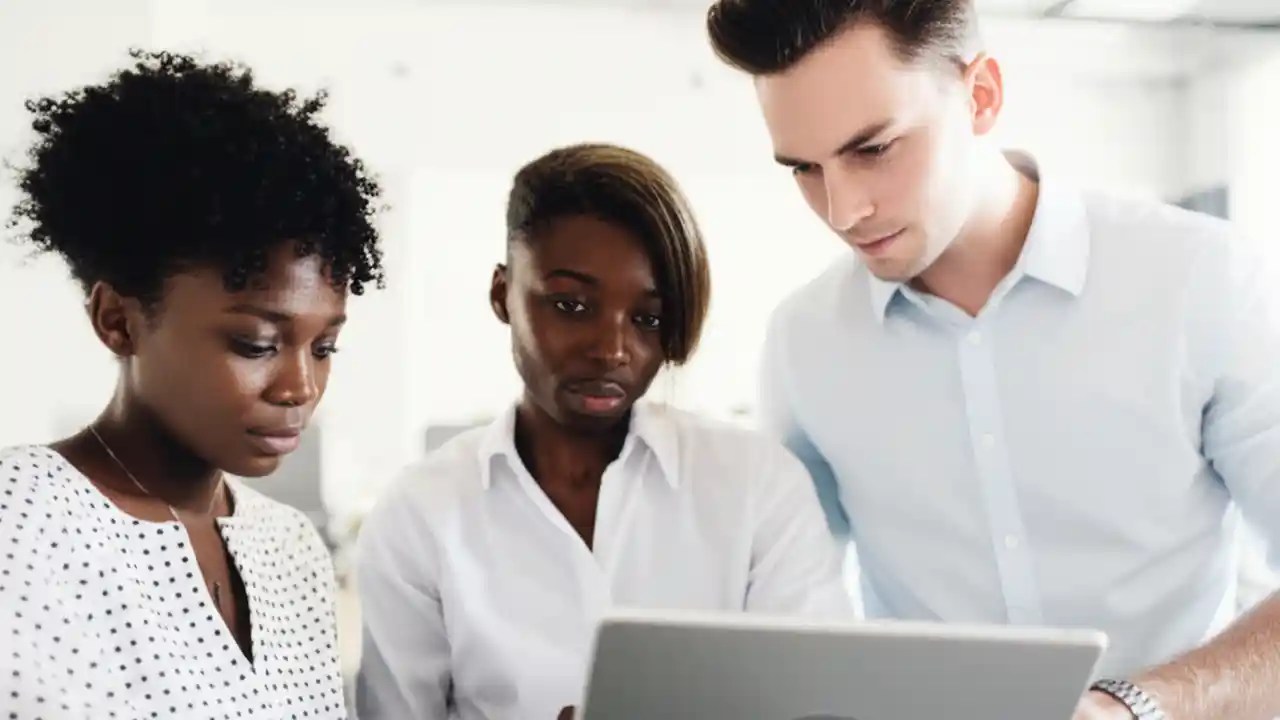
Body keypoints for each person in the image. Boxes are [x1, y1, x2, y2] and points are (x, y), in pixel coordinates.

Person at [705, 1, 1280, 719]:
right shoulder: (803, 343)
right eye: (804, 168)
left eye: (874, 148)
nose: (844, 209)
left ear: (980, 97)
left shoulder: (1201, 278)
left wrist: (1133, 708)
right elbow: (774, 618)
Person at [354, 143, 850, 719]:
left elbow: (816, 706)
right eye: (571, 305)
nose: (612, 349)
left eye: (648, 319)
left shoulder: (756, 487)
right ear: (502, 295)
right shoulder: (422, 512)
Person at [0, 49, 385, 718]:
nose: (299, 387)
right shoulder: (24, 521)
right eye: (255, 344)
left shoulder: (288, 546)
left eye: (324, 347)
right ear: (118, 321)